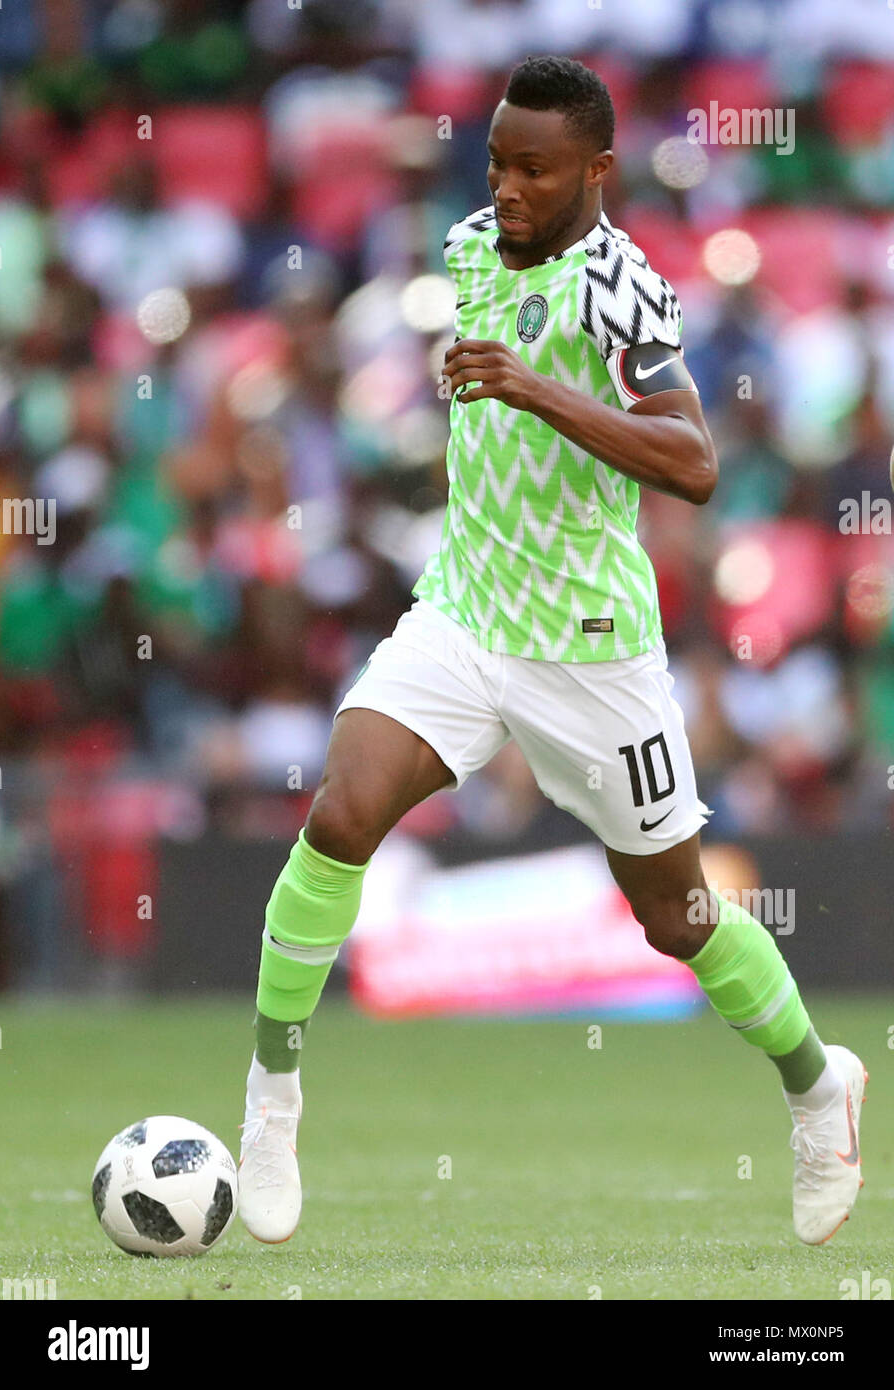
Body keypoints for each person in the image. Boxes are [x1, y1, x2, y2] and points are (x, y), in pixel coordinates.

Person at [237, 55, 866, 1249]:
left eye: (534, 168)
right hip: (466, 611)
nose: (508, 187)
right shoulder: (469, 247)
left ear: (596, 170)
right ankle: (271, 1102)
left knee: (676, 919)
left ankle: (812, 1082)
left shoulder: (621, 287)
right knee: (340, 812)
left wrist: (529, 389)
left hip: (590, 651)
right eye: (495, 163)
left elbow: (690, 462)